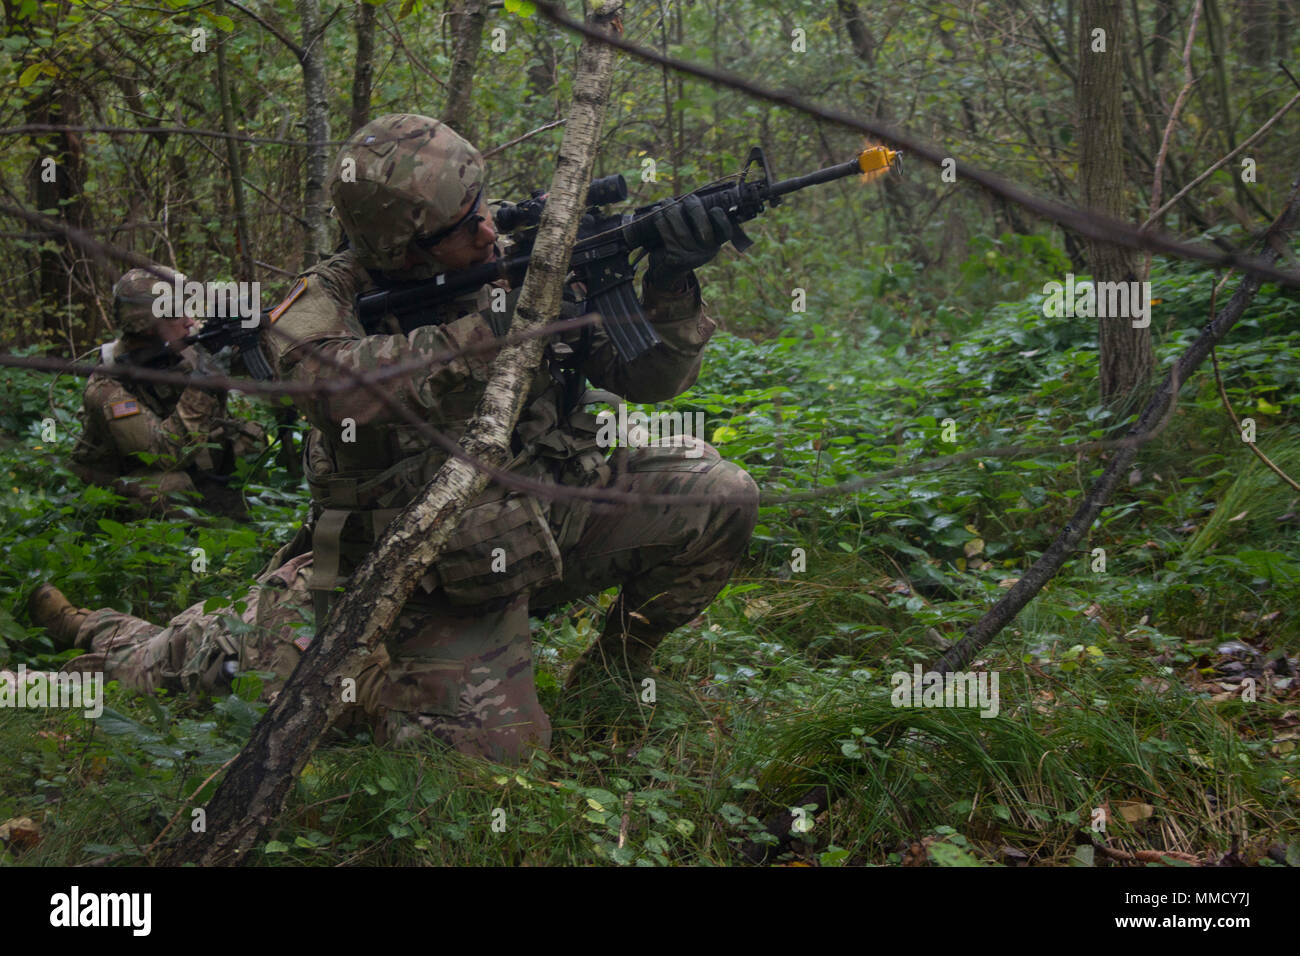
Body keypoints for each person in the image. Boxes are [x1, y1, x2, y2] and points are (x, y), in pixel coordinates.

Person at [259, 113, 758, 764]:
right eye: (461, 227)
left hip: (542, 511)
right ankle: (353, 675)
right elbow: (333, 390)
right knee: (496, 767)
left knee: (722, 496)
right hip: (423, 574)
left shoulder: (516, 258)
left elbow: (650, 380)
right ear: (399, 251)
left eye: (483, 204)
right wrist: (502, 327)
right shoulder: (324, 304)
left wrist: (669, 282)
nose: (488, 230)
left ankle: (614, 676)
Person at [29, 554, 389, 734]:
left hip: (249, 641)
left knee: (162, 651)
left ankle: (79, 630)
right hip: (252, 630)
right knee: (152, 658)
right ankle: (77, 630)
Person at [70, 266, 267, 519]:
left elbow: (243, 362)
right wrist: (204, 381)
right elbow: (164, 454)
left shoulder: (178, 348)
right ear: (146, 325)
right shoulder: (107, 386)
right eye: (175, 315)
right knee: (169, 486)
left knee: (249, 438)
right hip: (126, 475)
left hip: (181, 458)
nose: (189, 322)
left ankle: (230, 507)